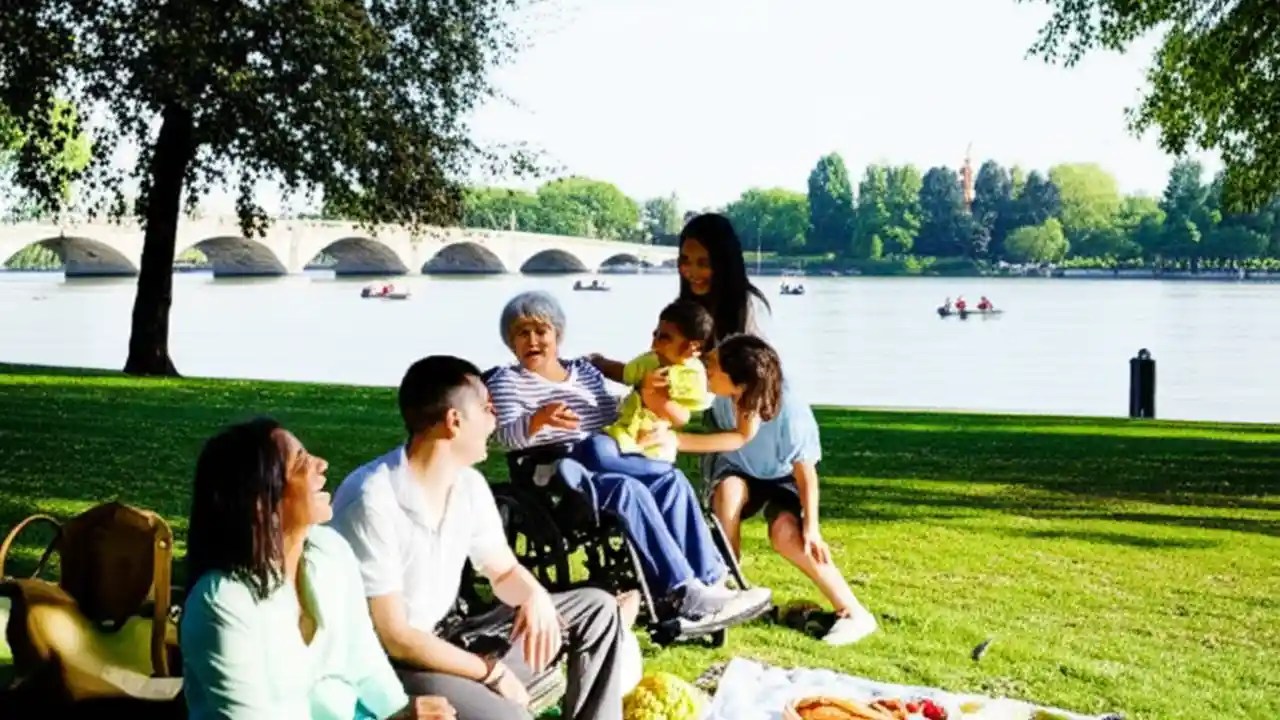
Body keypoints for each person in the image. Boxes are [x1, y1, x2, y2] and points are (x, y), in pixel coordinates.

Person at [328, 356, 627, 720]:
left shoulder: (468, 484)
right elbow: (396, 637)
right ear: (454, 421)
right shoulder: (372, 499)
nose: (494, 420)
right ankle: (502, 692)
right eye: (487, 409)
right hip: (397, 665)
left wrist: (535, 597)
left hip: (452, 636)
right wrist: (492, 672)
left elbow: (502, 571)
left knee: (597, 609)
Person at [629, 213, 877, 647]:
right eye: (685, 260)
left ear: (724, 261)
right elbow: (671, 370)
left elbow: (750, 411)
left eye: (703, 261)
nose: (692, 271)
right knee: (727, 500)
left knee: (787, 535)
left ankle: (852, 610)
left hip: (765, 447)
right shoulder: (689, 313)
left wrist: (681, 437)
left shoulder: (749, 310)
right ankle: (722, 597)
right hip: (736, 452)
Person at [485, 290, 769, 626]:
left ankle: (710, 582)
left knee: (672, 479)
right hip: (554, 473)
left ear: (557, 335)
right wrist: (538, 420)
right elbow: (500, 435)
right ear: (510, 341)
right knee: (622, 485)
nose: (533, 340)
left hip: (606, 453)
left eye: (541, 331)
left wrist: (649, 413)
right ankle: (681, 591)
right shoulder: (508, 381)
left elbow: (614, 413)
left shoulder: (584, 371)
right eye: (522, 333)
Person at [180, 418, 456, 720]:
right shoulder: (222, 602)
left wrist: (399, 710)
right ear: (262, 503)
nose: (321, 464)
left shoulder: (329, 551)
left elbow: (362, 653)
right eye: (300, 461)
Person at [578, 297, 716, 475]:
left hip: (658, 438)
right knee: (595, 445)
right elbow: (625, 373)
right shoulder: (648, 361)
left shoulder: (692, 375)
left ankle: (634, 472)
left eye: (664, 338)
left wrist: (654, 397)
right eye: (655, 334)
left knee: (637, 458)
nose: (654, 343)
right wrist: (596, 361)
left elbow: (683, 417)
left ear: (692, 347)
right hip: (625, 430)